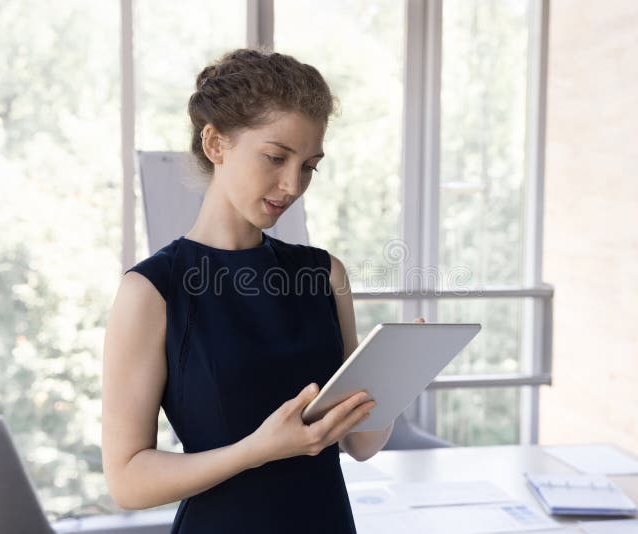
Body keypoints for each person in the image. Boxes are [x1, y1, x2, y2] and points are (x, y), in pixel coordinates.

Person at [101, 48, 424, 533]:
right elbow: (127, 479)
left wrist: (398, 377)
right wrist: (256, 451)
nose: (292, 184)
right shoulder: (151, 291)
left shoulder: (324, 274)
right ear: (215, 144)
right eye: (276, 157)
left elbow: (360, 444)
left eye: (310, 165)